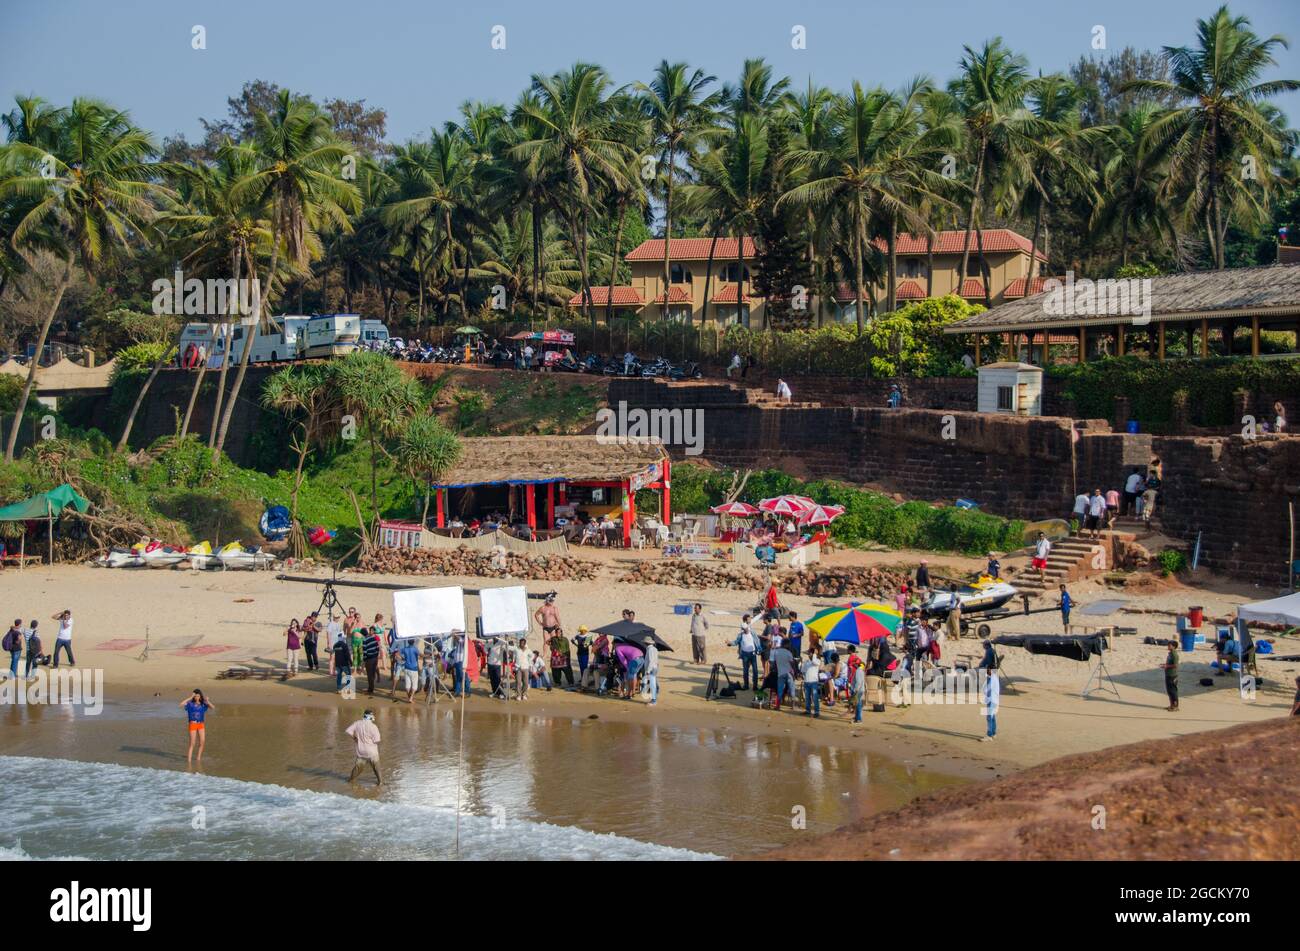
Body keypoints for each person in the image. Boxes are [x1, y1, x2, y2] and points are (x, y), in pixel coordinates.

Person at [345, 710, 382, 786]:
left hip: (361, 751)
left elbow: (348, 730)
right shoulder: (373, 726)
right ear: (371, 716)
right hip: (372, 751)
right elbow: (377, 740)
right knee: (376, 768)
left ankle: (350, 781)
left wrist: (355, 738)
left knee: (357, 768)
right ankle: (380, 782)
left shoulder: (357, 723)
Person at [181, 689, 214, 764]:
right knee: (192, 743)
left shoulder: (203, 704)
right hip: (193, 724)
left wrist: (208, 701)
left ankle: (198, 758)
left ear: (200, 696)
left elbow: (212, 707)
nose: (196, 697)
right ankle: (189, 762)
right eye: (195, 696)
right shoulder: (190, 704)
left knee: (202, 742)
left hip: (201, 724)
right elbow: (181, 704)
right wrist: (190, 697)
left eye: (198, 696)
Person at [731, 615, 760, 690]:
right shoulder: (741, 635)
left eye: (746, 628)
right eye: (744, 629)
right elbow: (736, 642)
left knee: (755, 671)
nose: (746, 630)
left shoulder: (752, 632)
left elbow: (757, 641)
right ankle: (746, 685)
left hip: (752, 653)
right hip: (745, 654)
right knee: (745, 670)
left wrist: (759, 650)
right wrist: (729, 643)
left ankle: (755, 686)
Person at [766, 640, 795, 710]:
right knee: (791, 688)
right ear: (787, 645)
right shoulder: (789, 653)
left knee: (780, 690)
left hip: (780, 673)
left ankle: (778, 706)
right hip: (789, 673)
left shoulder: (777, 652)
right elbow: (792, 663)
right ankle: (792, 705)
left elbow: (775, 662)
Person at [980, 668, 999, 741]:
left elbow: (987, 689)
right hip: (993, 699)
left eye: (988, 670)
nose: (987, 671)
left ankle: (989, 735)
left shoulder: (992, 678)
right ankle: (994, 733)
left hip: (992, 700)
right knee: (992, 716)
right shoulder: (993, 677)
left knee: (989, 717)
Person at [801, 651, 822, 718]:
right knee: (807, 697)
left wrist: (815, 654)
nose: (808, 654)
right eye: (808, 653)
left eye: (810, 653)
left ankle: (816, 712)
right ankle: (808, 710)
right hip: (807, 681)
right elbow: (803, 671)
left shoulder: (817, 661)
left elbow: (814, 661)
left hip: (814, 682)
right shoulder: (806, 662)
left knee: (815, 698)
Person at [1161, 641, 1179, 712]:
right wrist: (1165, 665)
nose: (1168, 646)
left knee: (1173, 691)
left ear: (1174, 646)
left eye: (1170, 645)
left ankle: (1175, 706)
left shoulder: (1174, 654)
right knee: (1169, 691)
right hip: (1168, 674)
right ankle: (1172, 705)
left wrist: (1166, 666)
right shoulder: (1170, 653)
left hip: (1172, 675)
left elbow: (1175, 665)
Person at [851, 650, 868, 723]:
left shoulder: (858, 671)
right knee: (858, 704)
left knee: (858, 705)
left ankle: (858, 719)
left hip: (858, 690)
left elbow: (858, 682)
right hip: (861, 690)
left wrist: (856, 690)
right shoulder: (861, 671)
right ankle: (857, 717)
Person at [643, 637, 660, 705]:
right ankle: (655, 695)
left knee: (652, 685)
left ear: (646, 643)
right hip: (655, 668)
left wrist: (648, 670)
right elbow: (655, 660)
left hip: (652, 668)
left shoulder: (650, 650)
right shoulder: (654, 649)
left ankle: (654, 701)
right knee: (654, 683)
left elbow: (651, 661)